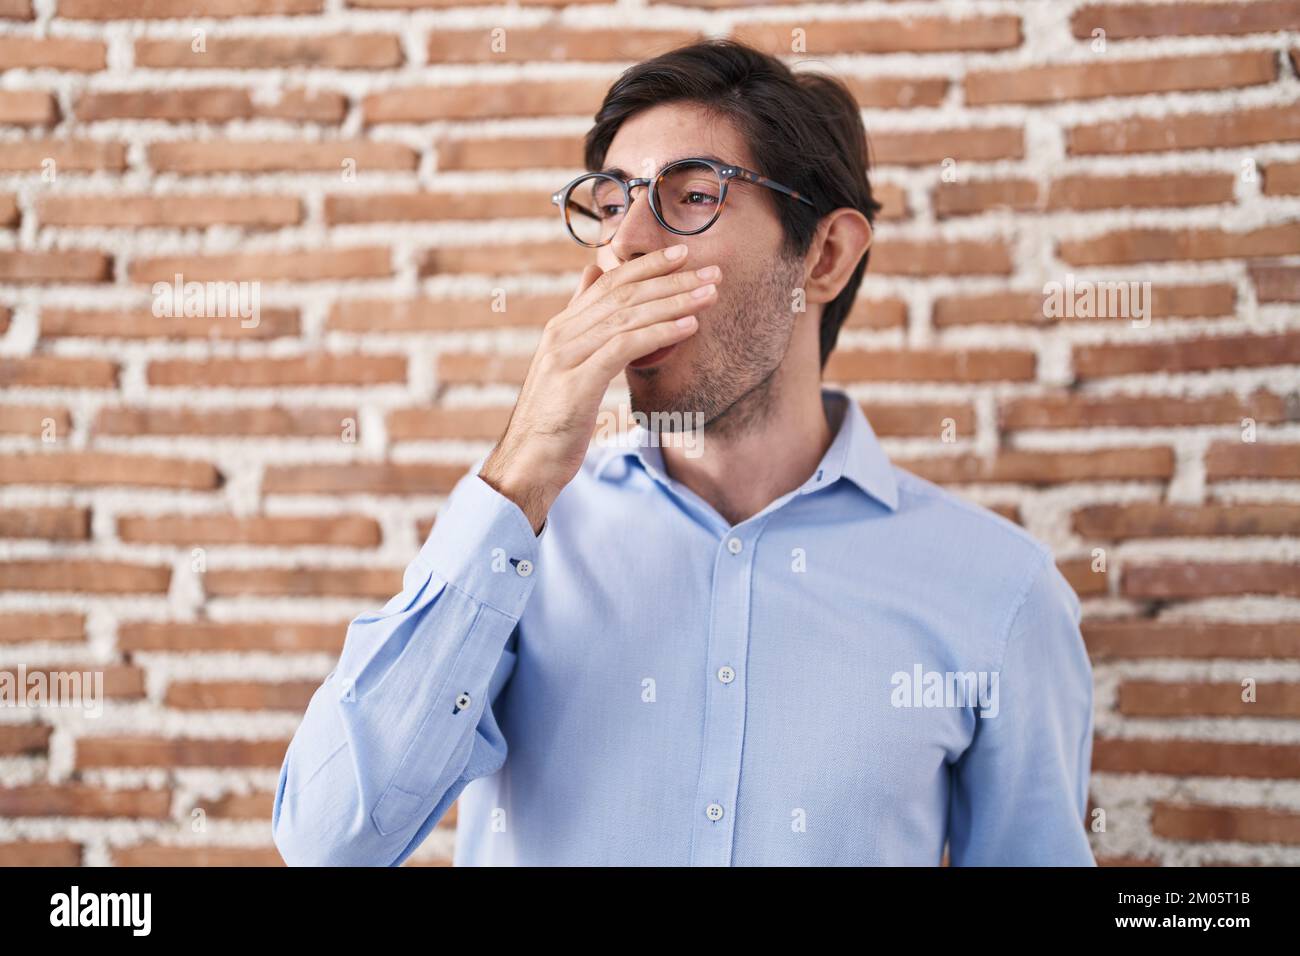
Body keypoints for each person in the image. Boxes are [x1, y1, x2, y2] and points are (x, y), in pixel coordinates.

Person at [272, 38, 1096, 866]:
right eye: (610, 205)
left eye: (693, 195)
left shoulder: (1000, 593)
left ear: (824, 255)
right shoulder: (515, 549)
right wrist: (521, 466)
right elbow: (328, 842)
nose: (624, 246)